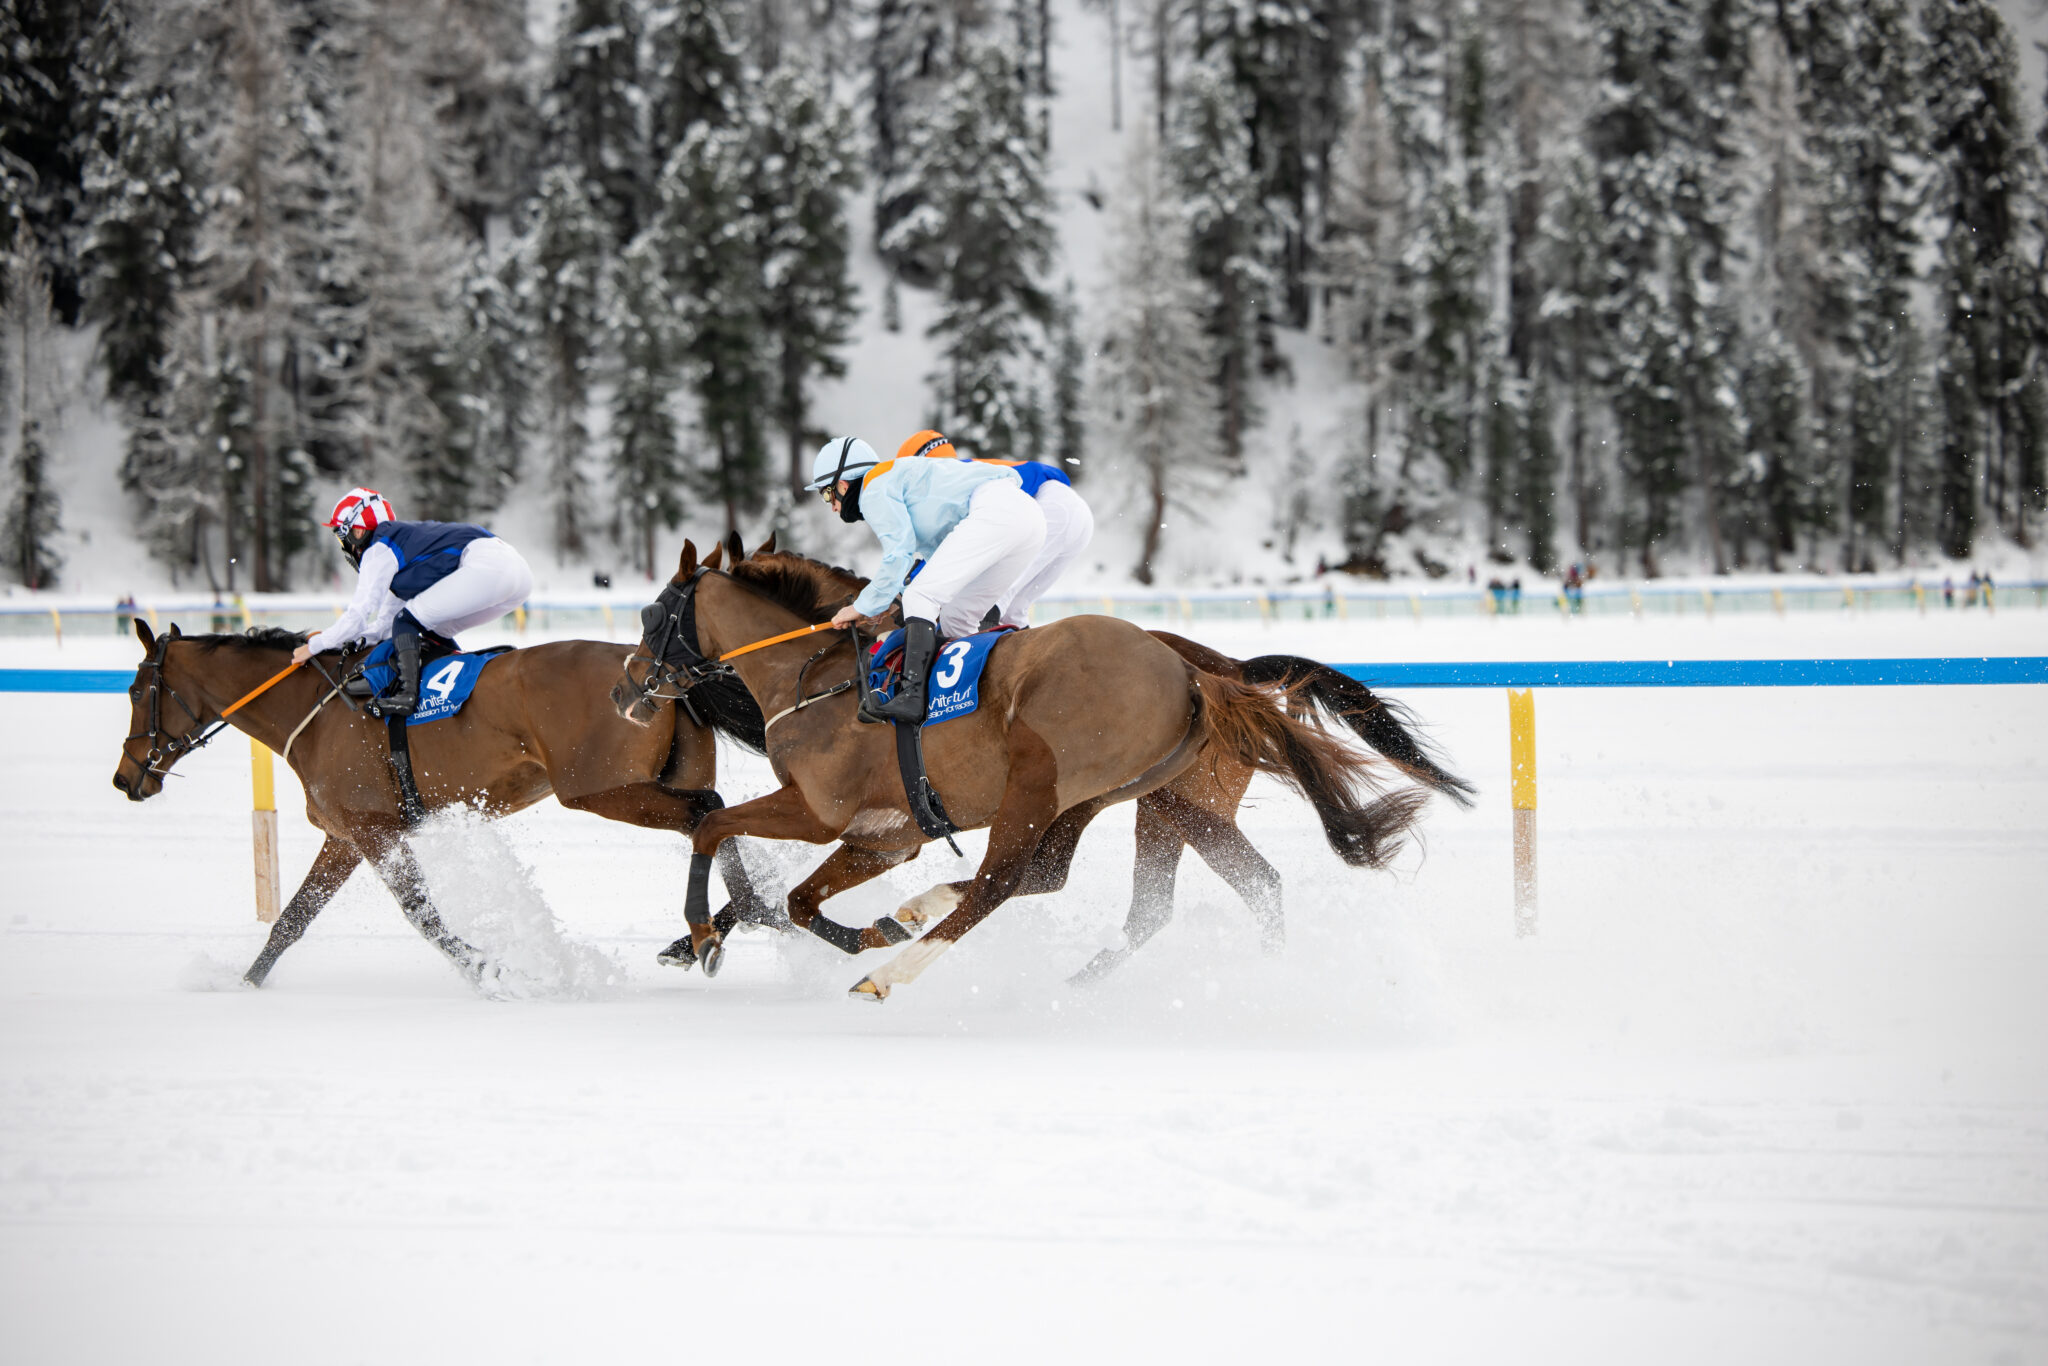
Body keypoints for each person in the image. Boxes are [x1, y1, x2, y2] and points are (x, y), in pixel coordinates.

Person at [808, 436, 1045, 724]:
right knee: (957, 616)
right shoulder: (900, 484)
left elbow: (899, 553)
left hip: (998, 511)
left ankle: (911, 696)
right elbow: (938, 560)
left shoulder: (873, 487)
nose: (831, 507)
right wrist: (893, 600)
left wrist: (862, 606)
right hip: (1030, 519)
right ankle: (962, 705)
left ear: (843, 484)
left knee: (920, 597)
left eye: (826, 495)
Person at [290, 488, 534, 716]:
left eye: (341, 536)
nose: (344, 546)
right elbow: (384, 625)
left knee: (408, 621)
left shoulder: (379, 550)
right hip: (518, 575)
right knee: (432, 628)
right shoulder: (398, 550)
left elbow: (359, 614)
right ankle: (455, 688)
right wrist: (356, 640)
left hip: (489, 564)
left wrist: (315, 646)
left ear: (358, 530)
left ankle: (407, 696)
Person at [899, 429, 1093, 627]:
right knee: (1014, 611)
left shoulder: (951, 481)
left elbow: (946, 551)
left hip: (1050, 509)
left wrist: (909, 584)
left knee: (986, 604)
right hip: (1074, 512)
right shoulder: (968, 468)